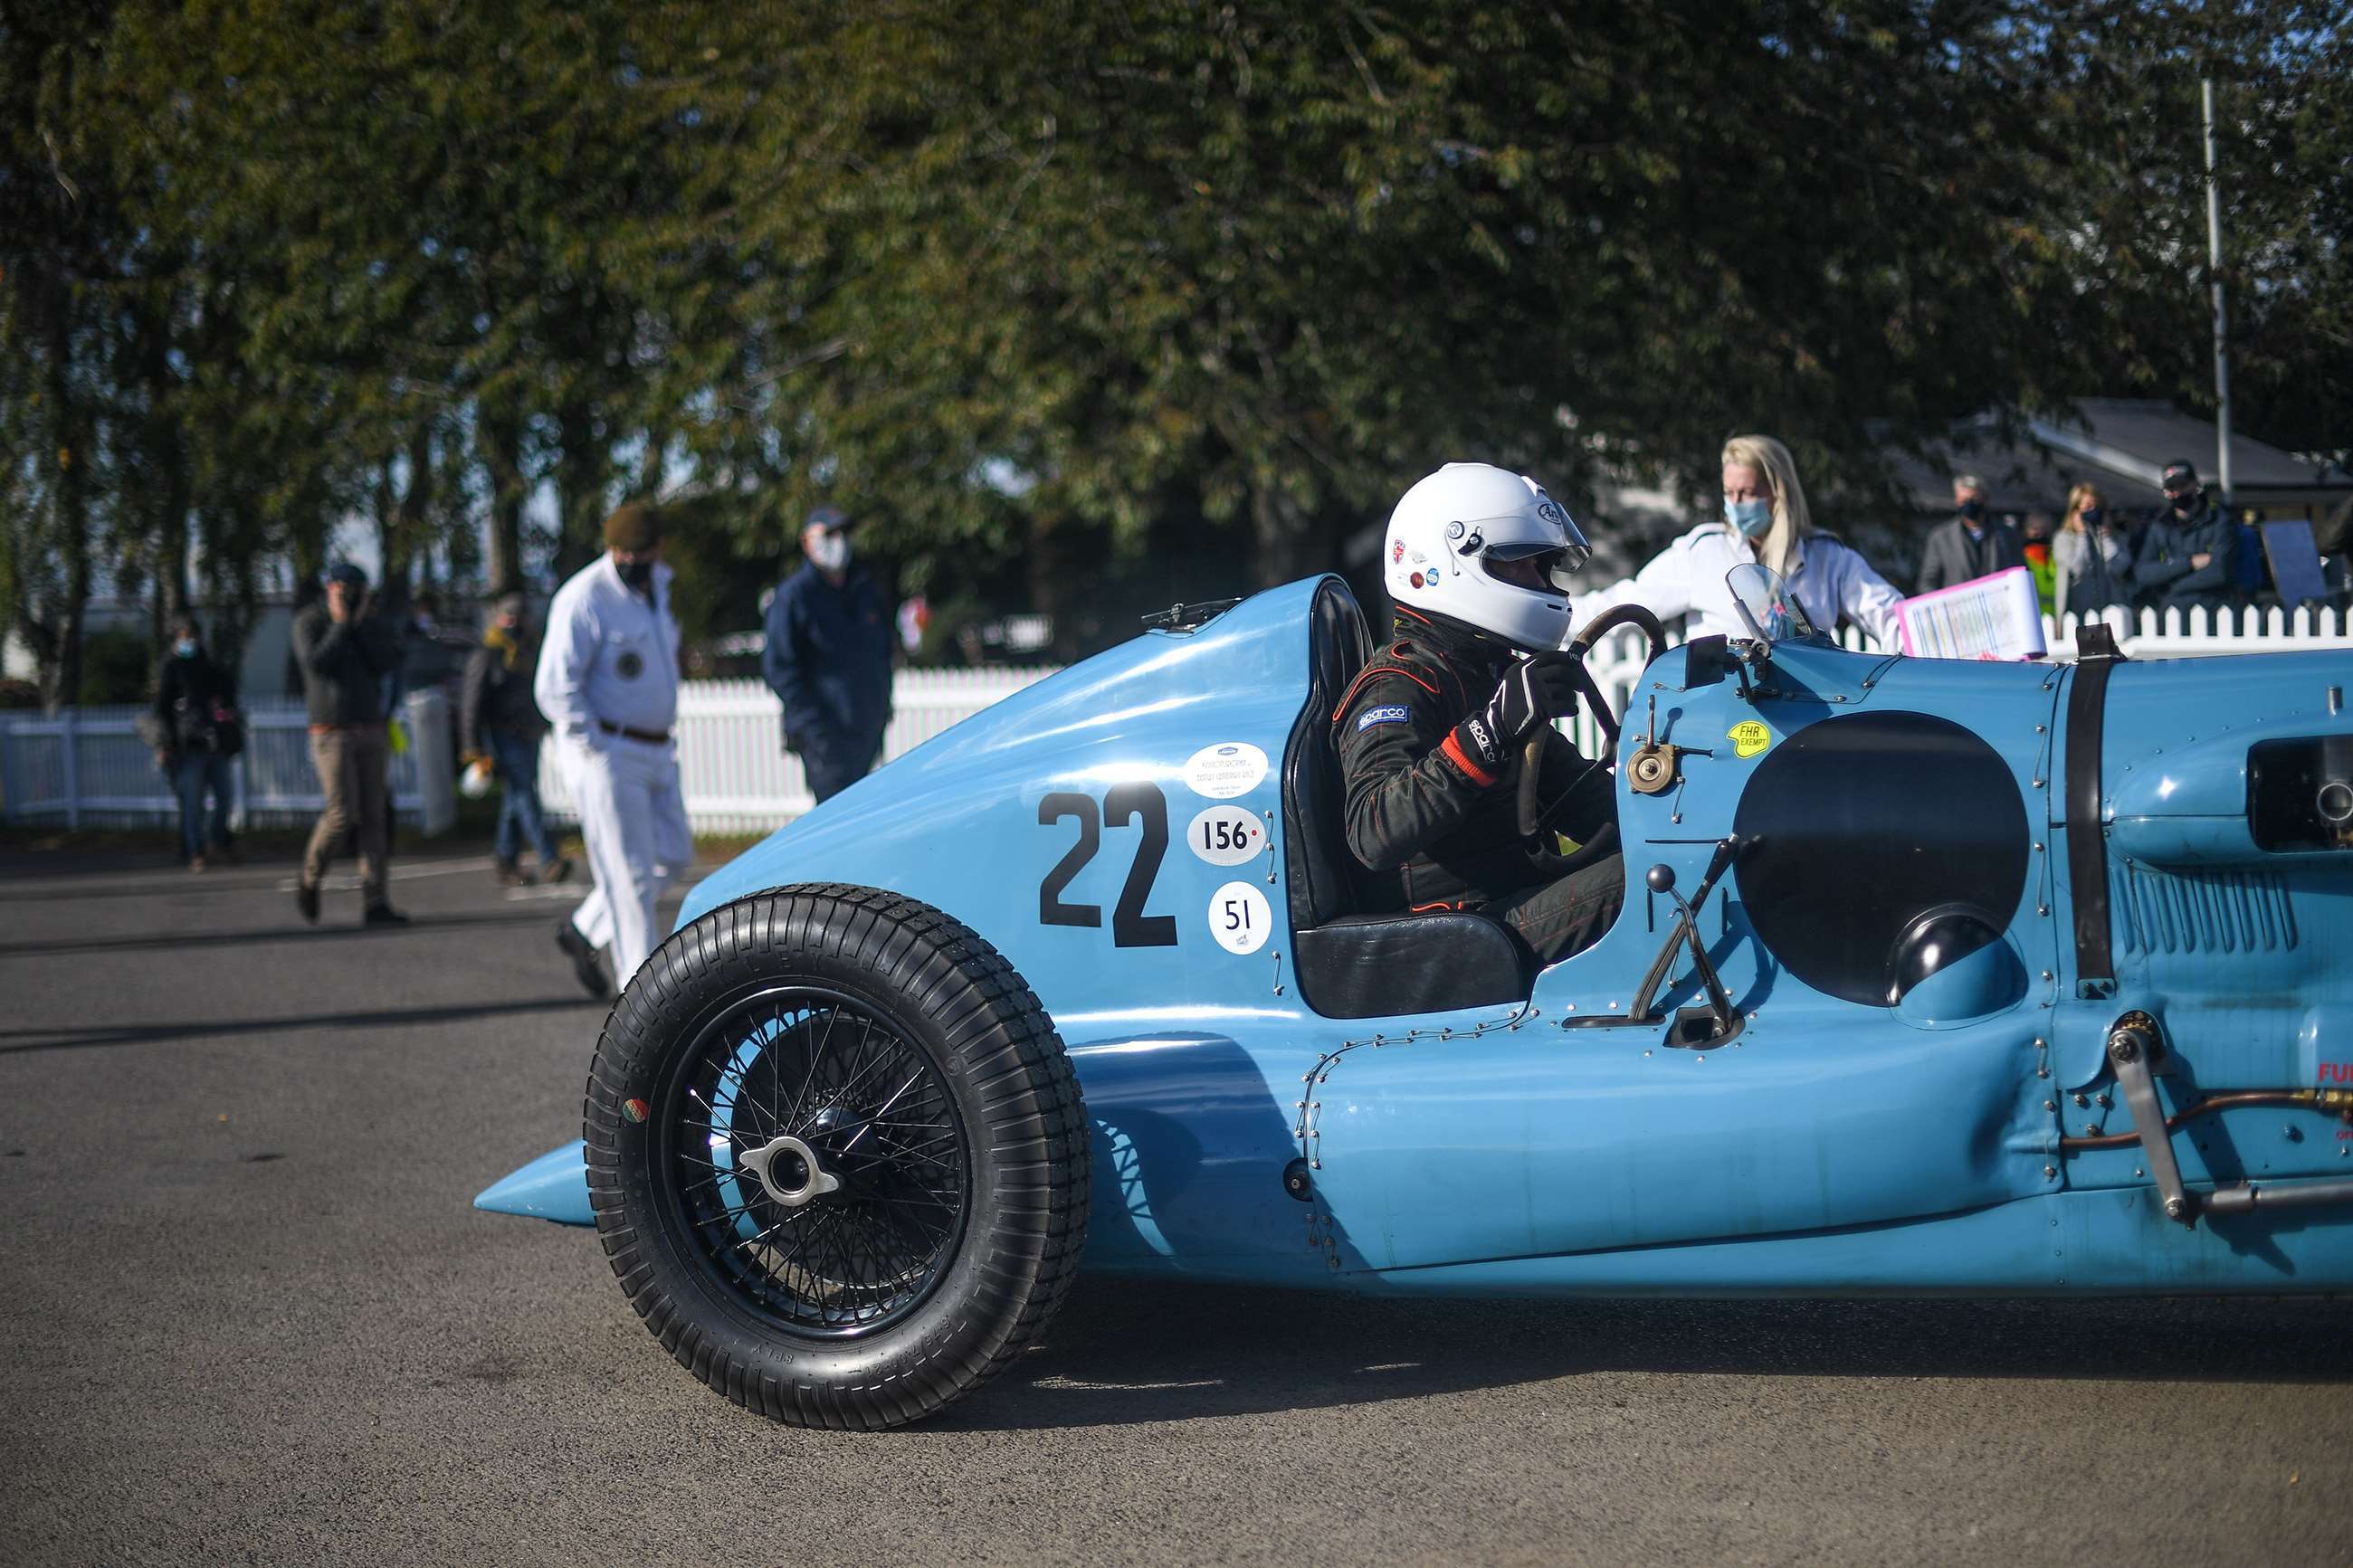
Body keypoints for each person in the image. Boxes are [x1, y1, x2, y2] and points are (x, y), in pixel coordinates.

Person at [1337, 462, 1621, 965]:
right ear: (1452, 563)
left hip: (1505, 912)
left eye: (1545, 565)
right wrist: (1488, 734)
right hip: (1451, 935)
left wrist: (1677, 802)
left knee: (1680, 854)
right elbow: (1374, 830)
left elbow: (1594, 811)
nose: (1543, 581)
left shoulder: (1485, 675)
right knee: (1661, 879)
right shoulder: (1398, 683)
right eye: (1523, 563)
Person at [536, 503, 691, 999]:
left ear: (654, 550)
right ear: (612, 551)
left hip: (655, 748)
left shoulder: (657, 587)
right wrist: (595, 745)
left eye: (639, 552)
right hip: (609, 750)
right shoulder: (584, 598)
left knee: (673, 854)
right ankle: (640, 999)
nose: (631, 560)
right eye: (622, 553)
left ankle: (583, 930)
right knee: (628, 878)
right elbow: (554, 688)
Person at [1570, 434, 1903, 645]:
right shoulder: (1703, 551)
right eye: (1729, 493)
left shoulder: (1828, 557)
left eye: (1747, 493)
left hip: (1804, 718)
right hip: (1722, 718)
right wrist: (1552, 620)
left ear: (1778, 492)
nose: (1735, 503)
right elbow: (1629, 602)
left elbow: (1889, 614)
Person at [291, 562, 407, 926]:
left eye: (357, 590)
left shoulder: (369, 623)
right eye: (345, 589)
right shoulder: (310, 622)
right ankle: (310, 878)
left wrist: (360, 622)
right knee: (342, 814)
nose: (352, 595)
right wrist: (341, 624)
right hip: (331, 731)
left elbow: (386, 661)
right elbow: (317, 663)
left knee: (375, 816)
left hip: (371, 728)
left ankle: (376, 901)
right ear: (330, 588)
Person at [762, 504, 895, 804]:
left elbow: (882, 652)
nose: (839, 540)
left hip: (866, 730)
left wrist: (881, 707)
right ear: (807, 541)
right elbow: (780, 669)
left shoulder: (863, 591)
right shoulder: (795, 597)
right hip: (825, 739)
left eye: (843, 533)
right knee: (839, 822)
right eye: (830, 533)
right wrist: (814, 728)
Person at [461, 593, 572, 888]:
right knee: (524, 795)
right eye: (509, 617)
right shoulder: (488, 654)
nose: (514, 622)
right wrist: (473, 746)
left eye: (519, 617)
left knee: (515, 799)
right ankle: (550, 857)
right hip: (501, 734)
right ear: (499, 619)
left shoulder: (531, 651)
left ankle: (506, 860)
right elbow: (472, 702)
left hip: (528, 733)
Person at [151, 615, 243, 870]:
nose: (189, 641)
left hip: (214, 743)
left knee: (225, 797)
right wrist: (165, 743)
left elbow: (226, 695)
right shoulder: (171, 668)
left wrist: (226, 713)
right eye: (184, 636)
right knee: (193, 804)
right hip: (187, 746)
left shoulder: (208, 665)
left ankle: (218, 840)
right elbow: (161, 711)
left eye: (192, 635)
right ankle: (195, 851)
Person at [2131, 460, 2236, 618]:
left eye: (2182, 486)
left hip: (2214, 612)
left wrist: (2169, 582)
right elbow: (2144, 574)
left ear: (2195, 486)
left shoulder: (2220, 521)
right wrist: (2189, 563)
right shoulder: (2159, 526)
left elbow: (2220, 572)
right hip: (2171, 615)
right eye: (2171, 488)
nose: (2177, 493)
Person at [1916, 473, 2025, 594]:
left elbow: (2020, 574)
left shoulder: (2007, 535)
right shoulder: (1941, 537)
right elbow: (1928, 582)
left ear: (1985, 500)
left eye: (1974, 499)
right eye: (1964, 500)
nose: (1969, 505)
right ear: (1957, 500)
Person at [2051, 482, 2133, 619]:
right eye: (2088, 507)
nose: (2093, 512)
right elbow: (2078, 568)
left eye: (2098, 507)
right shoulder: (2063, 539)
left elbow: (2119, 567)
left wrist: (2105, 536)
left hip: (2113, 610)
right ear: (2075, 511)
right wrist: (2082, 534)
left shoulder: (2117, 538)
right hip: (2078, 612)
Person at [2019, 513, 2057, 616]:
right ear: (2026, 531)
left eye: (2043, 529)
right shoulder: (2021, 558)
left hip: (2057, 618)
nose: (2040, 533)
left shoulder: (2055, 555)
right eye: (2035, 528)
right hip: (2033, 616)